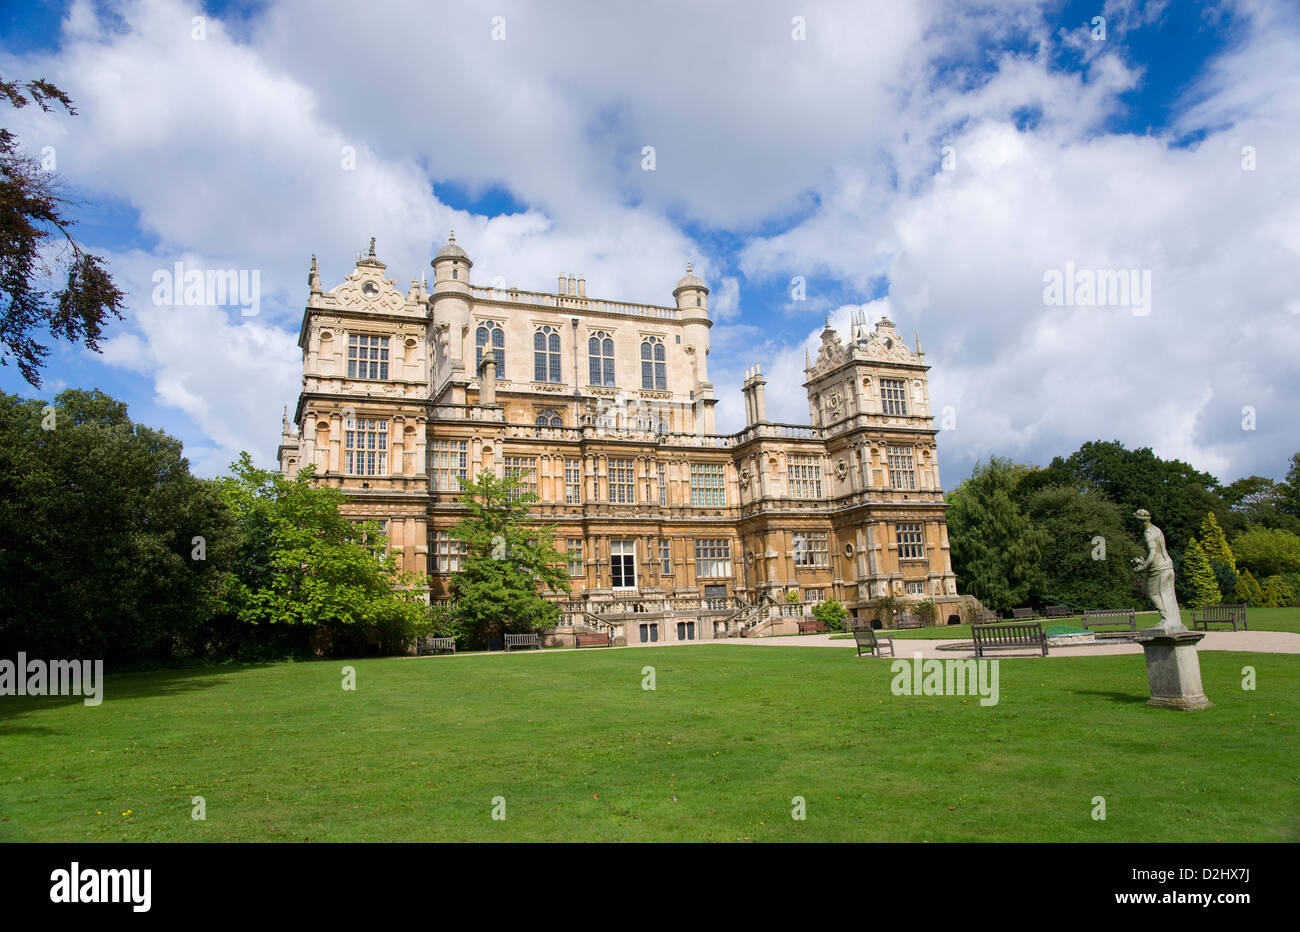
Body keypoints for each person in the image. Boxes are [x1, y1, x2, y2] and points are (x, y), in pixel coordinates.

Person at [1132, 509, 1184, 631]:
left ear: (1139, 521)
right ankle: (1175, 621)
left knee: (1154, 593)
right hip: (1168, 566)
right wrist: (1143, 561)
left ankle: (1166, 619)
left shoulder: (1148, 533)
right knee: (1169, 594)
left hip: (1159, 569)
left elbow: (1153, 553)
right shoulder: (1157, 529)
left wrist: (1142, 567)